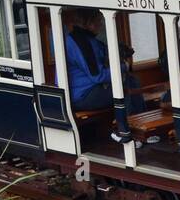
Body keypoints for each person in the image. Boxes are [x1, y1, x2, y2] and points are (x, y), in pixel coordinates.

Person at [64, 8, 151, 142]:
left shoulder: (88, 39)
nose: (101, 24)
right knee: (123, 91)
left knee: (132, 81)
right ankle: (122, 132)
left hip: (92, 89)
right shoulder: (79, 42)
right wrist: (124, 66)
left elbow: (103, 55)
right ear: (87, 22)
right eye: (98, 21)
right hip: (82, 95)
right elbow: (97, 75)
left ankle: (142, 128)